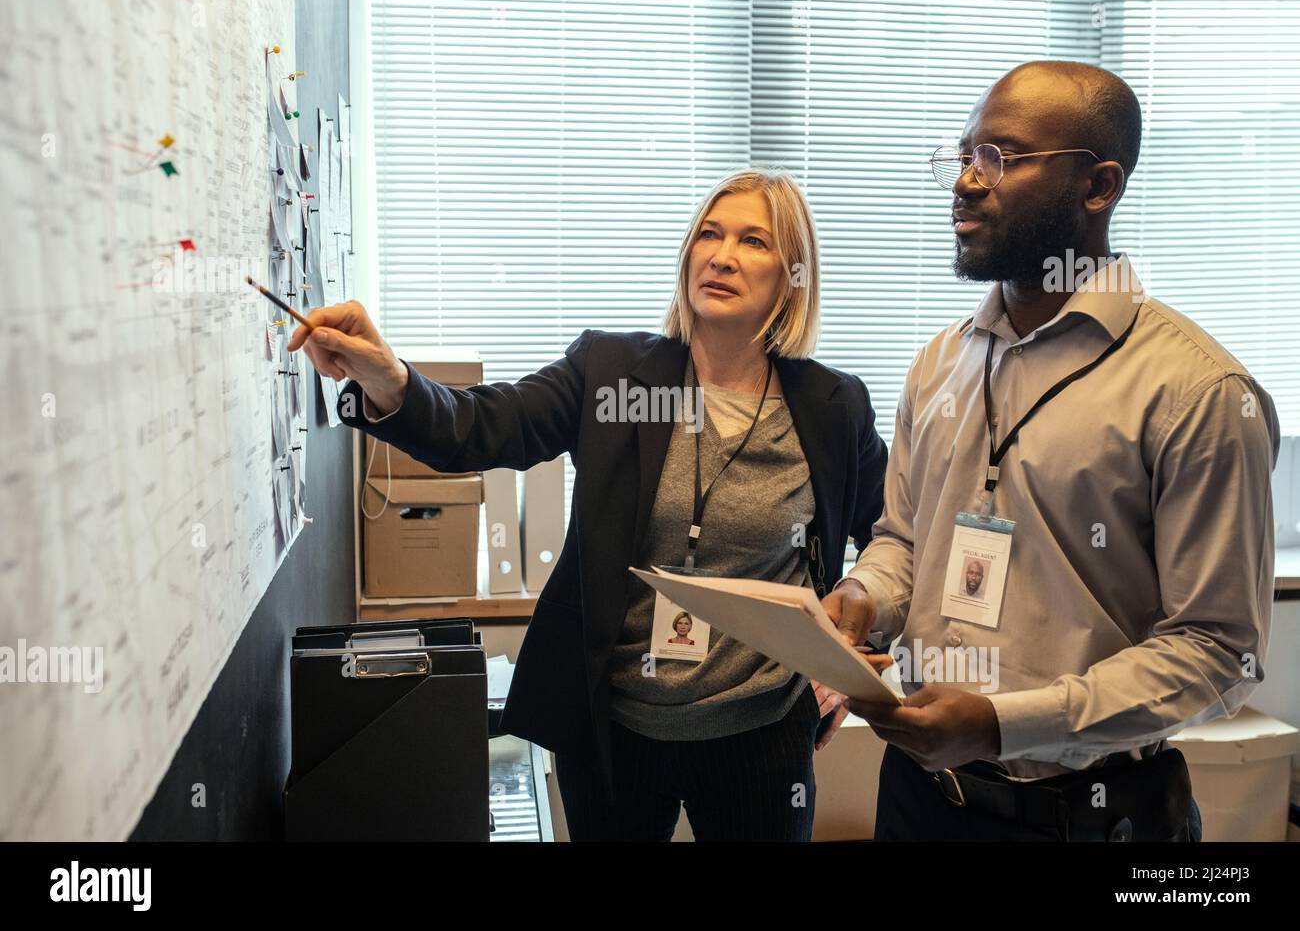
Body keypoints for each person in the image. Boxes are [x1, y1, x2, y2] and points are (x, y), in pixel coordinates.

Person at [289, 167, 889, 841]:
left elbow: (893, 540)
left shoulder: (834, 408)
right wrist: (388, 376)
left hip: (762, 737)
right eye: (709, 235)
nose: (720, 255)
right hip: (614, 734)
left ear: (793, 278)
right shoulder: (612, 372)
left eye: (754, 241)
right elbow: (480, 427)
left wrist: (846, 665)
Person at [826, 61, 1279, 841]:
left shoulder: (1198, 390)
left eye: (1000, 156)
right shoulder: (940, 361)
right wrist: (862, 601)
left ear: (1098, 187)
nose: (966, 181)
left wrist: (1006, 723)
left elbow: (1218, 651)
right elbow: (904, 540)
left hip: (1092, 815)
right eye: (964, 155)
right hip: (919, 796)